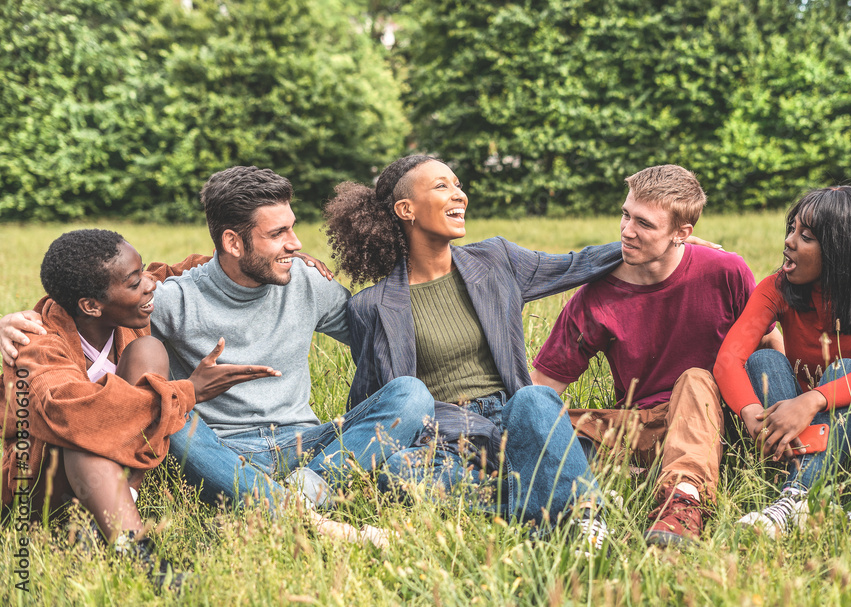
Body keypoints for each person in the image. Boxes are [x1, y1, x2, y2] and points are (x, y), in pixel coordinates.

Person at [0, 167, 434, 535]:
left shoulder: (307, 284)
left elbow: (380, 330)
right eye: (279, 233)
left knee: (411, 394)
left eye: (293, 228)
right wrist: (16, 321)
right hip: (220, 451)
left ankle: (296, 498)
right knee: (170, 415)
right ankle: (306, 516)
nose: (296, 243)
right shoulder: (171, 300)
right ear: (232, 243)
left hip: (306, 440)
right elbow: (93, 302)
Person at [325, 154, 626, 549]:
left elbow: (575, 264)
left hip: (511, 419)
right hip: (442, 437)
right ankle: (555, 488)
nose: (460, 195)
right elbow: (374, 402)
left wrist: (657, 244)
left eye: (458, 184)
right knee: (397, 471)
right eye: (442, 186)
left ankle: (582, 518)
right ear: (406, 210)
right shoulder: (371, 307)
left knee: (536, 398)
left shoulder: (497, 260)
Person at [0, 229, 277, 586]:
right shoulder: (36, 343)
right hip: (45, 483)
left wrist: (274, 258)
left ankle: (113, 510)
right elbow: (77, 416)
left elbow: (185, 272)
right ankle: (138, 555)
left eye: (143, 271)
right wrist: (188, 391)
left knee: (149, 351)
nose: (149, 285)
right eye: (134, 283)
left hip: (112, 472)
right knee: (84, 433)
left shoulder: (119, 314)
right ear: (90, 305)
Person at [530, 164, 781, 545]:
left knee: (695, 378)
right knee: (548, 423)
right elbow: (541, 390)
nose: (627, 231)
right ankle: (631, 474)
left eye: (644, 224)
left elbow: (769, 350)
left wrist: (776, 422)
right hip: (641, 427)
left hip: (714, 420)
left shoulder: (725, 271)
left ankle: (682, 505)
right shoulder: (597, 296)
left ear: (682, 233)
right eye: (625, 215)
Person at [713, 185, 851, 537]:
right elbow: (728, 359)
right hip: (793, 429)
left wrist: (813, 398)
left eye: (806, 236)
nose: (789, 241)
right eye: (792, 229)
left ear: (841, 250)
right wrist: (750, 415)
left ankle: (797, 494)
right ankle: (808, 495)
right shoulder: (777, 287)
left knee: (846, 368)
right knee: (764, 360)